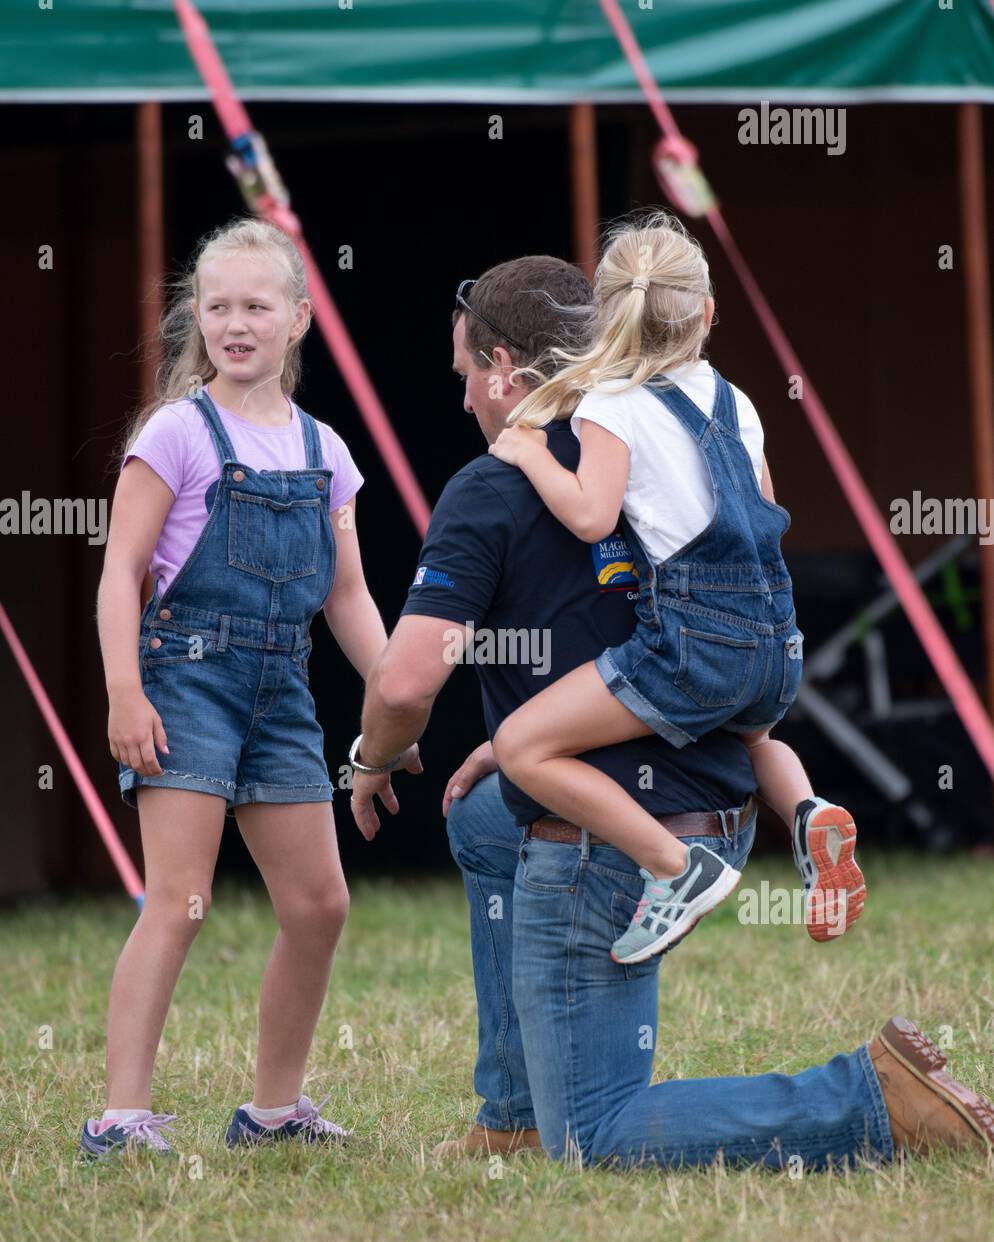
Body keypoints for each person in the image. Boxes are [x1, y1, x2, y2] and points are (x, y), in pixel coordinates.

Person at [347, 254, 994, 1167]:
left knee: (599, 1135)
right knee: (484, 820)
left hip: (610, 847)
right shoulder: (675, 439)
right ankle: (514, 1113)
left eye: (464, 378)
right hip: (725, 797)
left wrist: (371, 760)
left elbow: (406, 682)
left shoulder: (494, 484)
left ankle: (871, 1101)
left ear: (503, 369)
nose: (462, 405)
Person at [84, 216, 420, 1160]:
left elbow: (347, 596)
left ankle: (273, 1112)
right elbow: (121, 575)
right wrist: (123, 692)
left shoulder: (327, 454)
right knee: (180, 900)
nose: (236, 322)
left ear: (299, 319)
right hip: (185, 682)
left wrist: (400, 688)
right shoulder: (176, 432)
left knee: (319, 905)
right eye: (218, 305)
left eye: (256, 306)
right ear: (199, 316)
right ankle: (121, 1117)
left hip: (284, 693)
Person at [488, 212, 863, 965]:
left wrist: (530, 452)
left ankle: (674, 867)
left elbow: (593, 517)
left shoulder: (610, 406)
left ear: (610, 314)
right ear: (707, 313)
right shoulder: (737, 404)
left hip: (693, 648)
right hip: (773, 644)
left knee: (521, 745)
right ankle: (809, 809)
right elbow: (762, 509)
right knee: (756, 737)